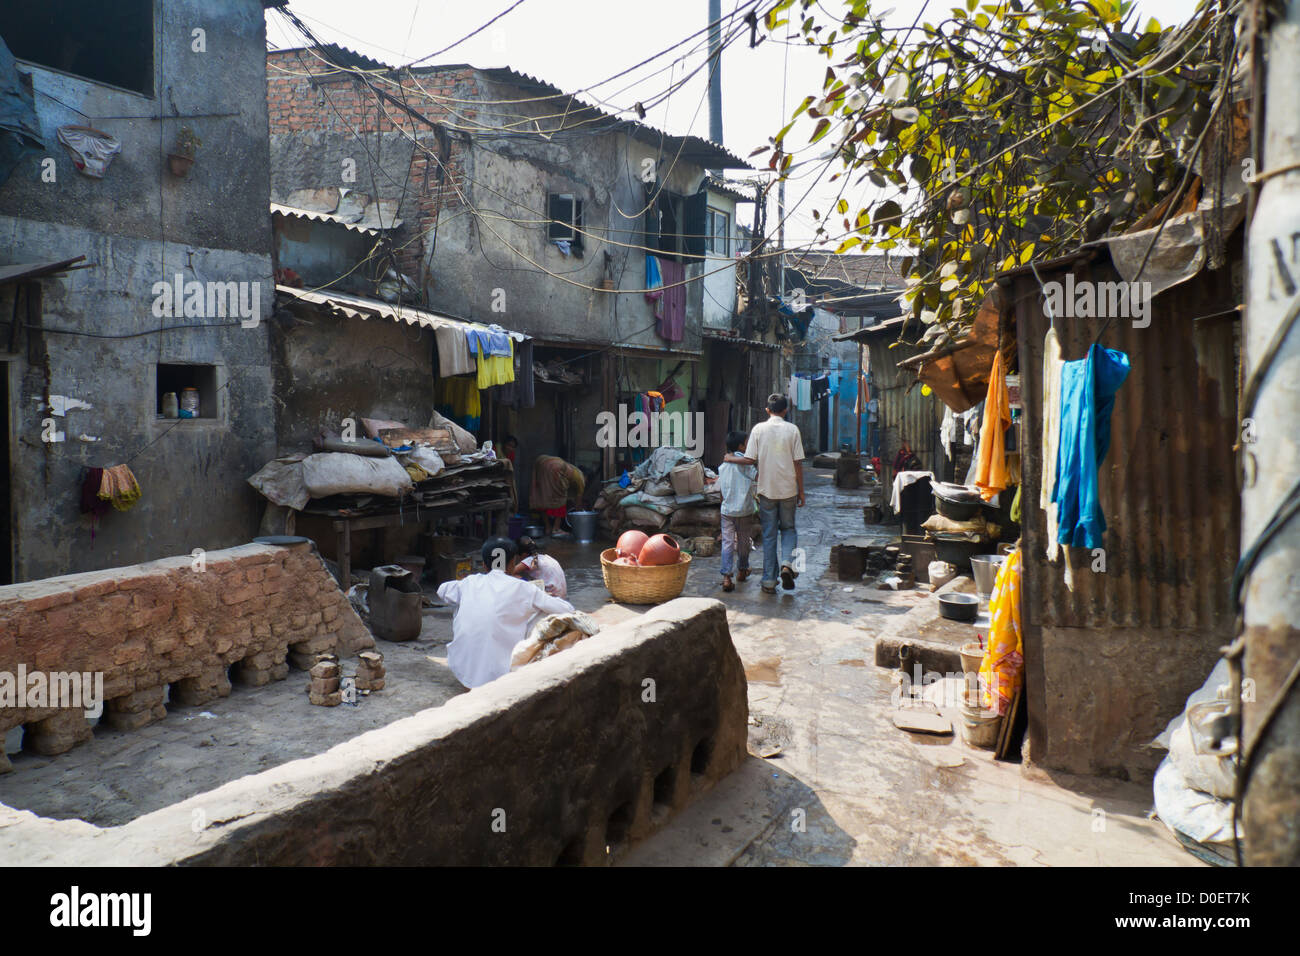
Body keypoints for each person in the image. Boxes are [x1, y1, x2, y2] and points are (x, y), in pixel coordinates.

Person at [436, 537, 574, 688]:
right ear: (512, 564)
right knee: (543, 612)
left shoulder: (470, 582)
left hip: (463, 671)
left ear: (484, 565)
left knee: (458, 600)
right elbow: (567, 610)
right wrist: (543, 598)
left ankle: (471, 656)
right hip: (502, 674)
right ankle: (521, 659)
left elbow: (442, 590)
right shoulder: (524, 588)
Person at [740, 393, 805, 593]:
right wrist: (801, 491)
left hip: (766, 490)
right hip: (788, 490)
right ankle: (787, 564)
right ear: (786, 410)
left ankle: (769, 580)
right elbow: (798, 463)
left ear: (767, 410)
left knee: (769, 535)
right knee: (789, 529)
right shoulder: (793, 430)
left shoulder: (758, 429)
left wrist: (730, 459)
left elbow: (749, 459)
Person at [717, 430, 757, 592]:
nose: (748, 446)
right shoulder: (746, 465)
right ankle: (742, 570)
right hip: (745, 510)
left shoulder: (723, 466)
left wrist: (723, 504)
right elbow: (757, 477)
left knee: (727, 543)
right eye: (747, 443)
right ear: (741, 446)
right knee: (743, 542)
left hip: (727, 510)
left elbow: (721, 490)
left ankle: (726, 577)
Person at [529, 453, 586, 537]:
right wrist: (580, 517)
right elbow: (578, 503)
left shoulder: (573, 469)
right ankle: (556, 529)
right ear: (586, 476)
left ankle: (548, 528)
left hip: (541, 461)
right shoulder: (581, 479)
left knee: (543, 496)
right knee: (560, 498)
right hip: (555, 467)